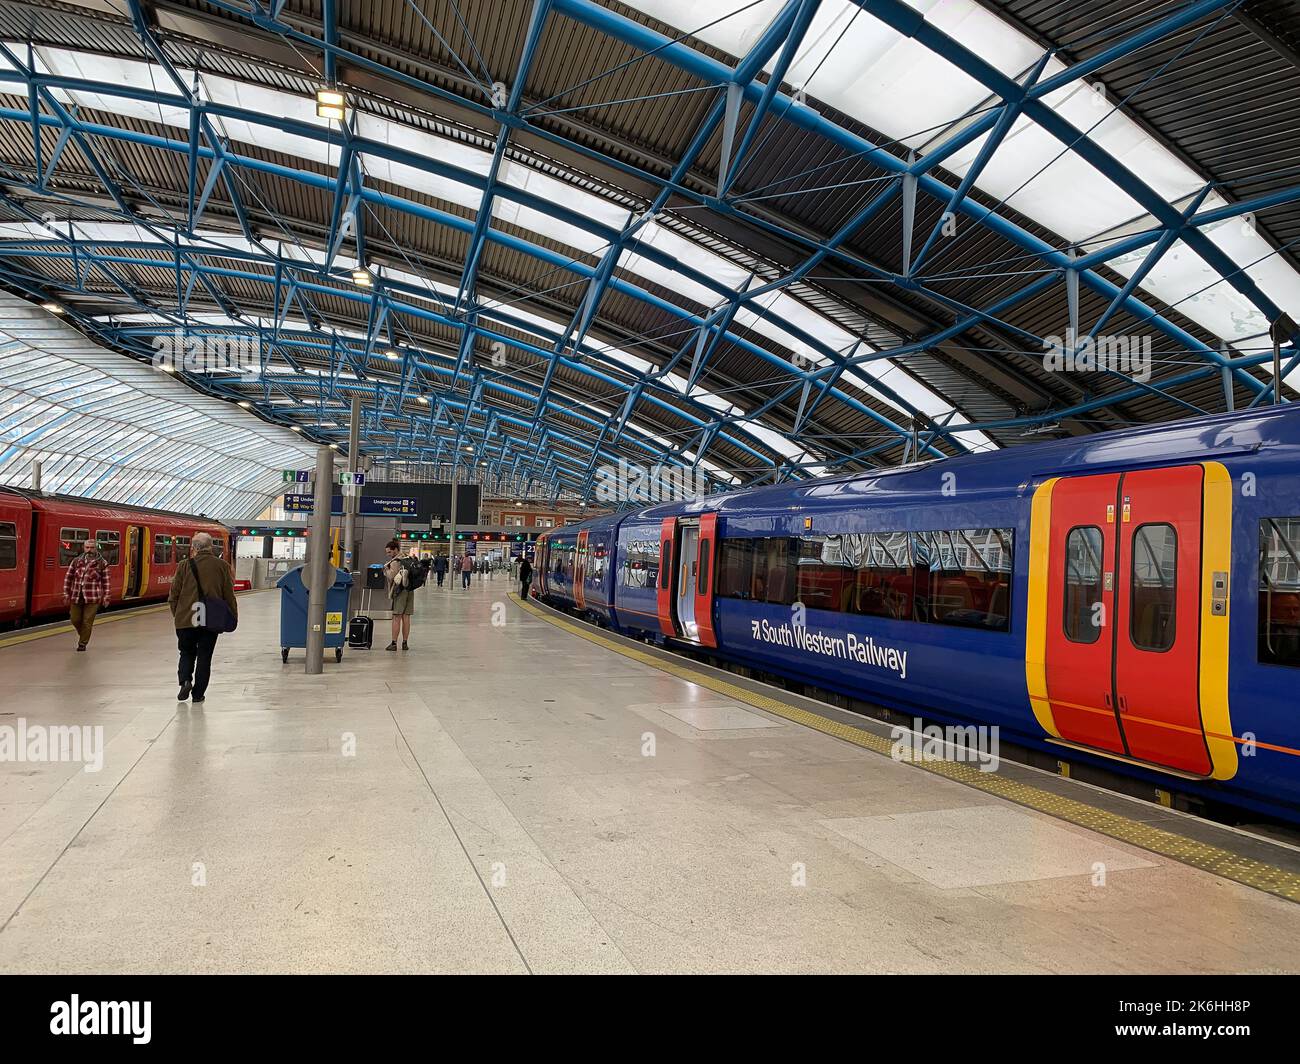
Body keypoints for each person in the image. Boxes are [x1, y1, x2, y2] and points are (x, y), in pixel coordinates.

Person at [168, 531, 237, 702]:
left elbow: (173, 594)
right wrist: (233, 615)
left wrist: (177, 614)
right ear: (210, 547)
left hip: (186, 619)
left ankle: (185, 681)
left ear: (193, 548)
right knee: (205, 656)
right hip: (210, 619)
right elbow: (228, 594)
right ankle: (198, 694)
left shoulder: (184, 565)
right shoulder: (222, 566)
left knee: (186, 652)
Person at [64, 537, 110, 651]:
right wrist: (66, 593)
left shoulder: (102, 563)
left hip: (93, 597)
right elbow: (68, 577)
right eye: (87, 547)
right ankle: (84, 634)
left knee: (87, 621)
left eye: (92, 547)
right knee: (74, 619)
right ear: (84, 548)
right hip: (76, 595)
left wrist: (107, 596)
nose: (89, 550)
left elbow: (106, 581)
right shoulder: (76, 561)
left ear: (96, 548)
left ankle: (82, 644)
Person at [383, 539, 413, 651]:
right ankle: (405, 643)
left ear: (395, 550)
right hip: (410, 589)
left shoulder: (396, 562)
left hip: (399, 591)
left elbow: (392, 577)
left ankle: (394, 643)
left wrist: (386, 569)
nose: (388, 555)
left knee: (396, 617)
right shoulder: (407, 558)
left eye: (389, 552)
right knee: (406, 617)